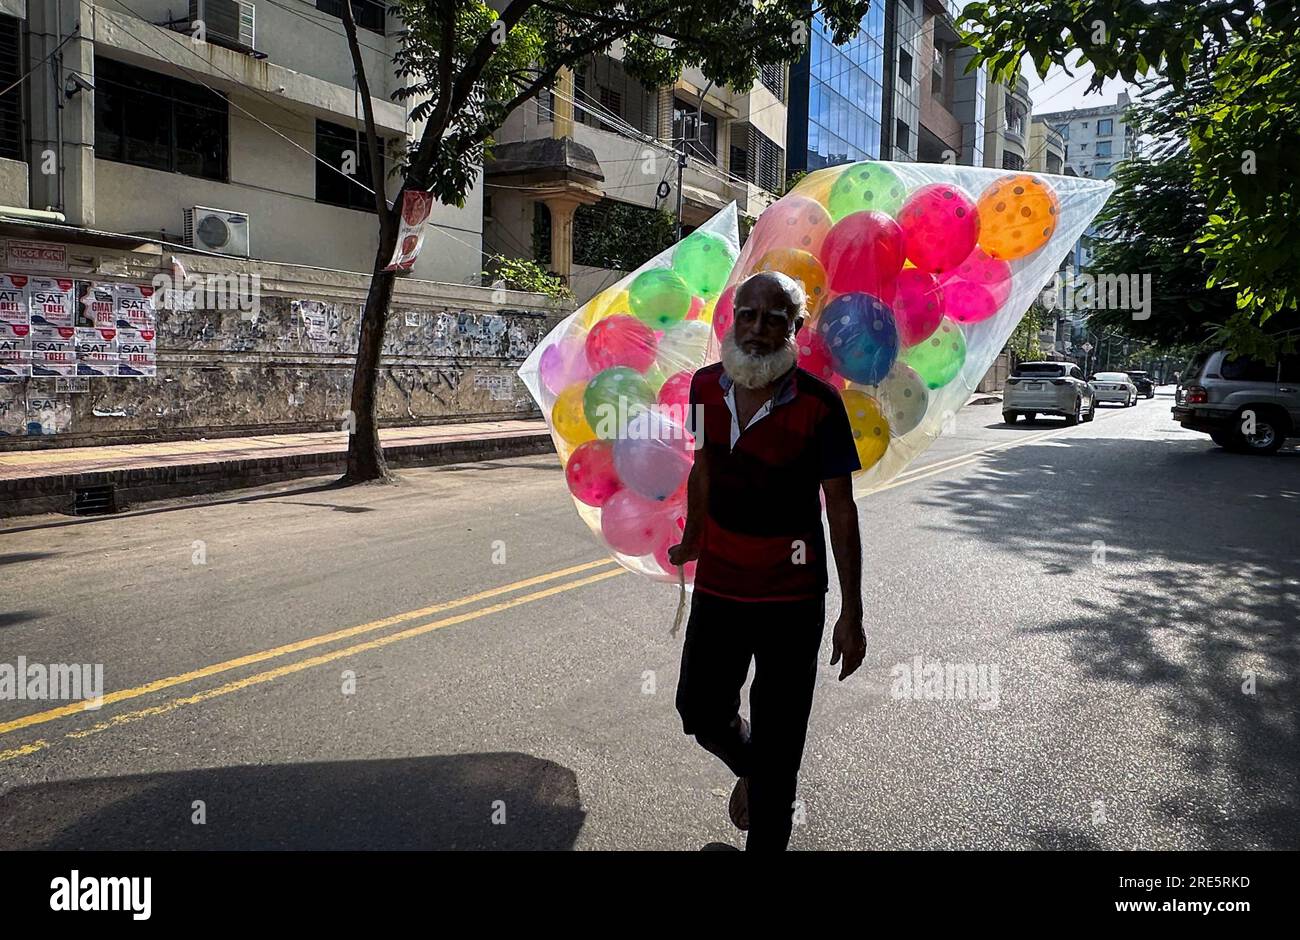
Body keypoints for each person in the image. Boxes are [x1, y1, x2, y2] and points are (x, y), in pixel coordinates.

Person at [668, 270, 867, 851]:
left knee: (782, 746)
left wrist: (851, 613)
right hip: (721, 586)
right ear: (733, 320)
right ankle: (756, 770)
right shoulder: (705, 387)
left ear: (794, 329)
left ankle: (770, 780)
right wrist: (695, 538)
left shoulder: (819, 404)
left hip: (792, 599)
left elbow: (841, 511)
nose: (757, 328)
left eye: (774, 317)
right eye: (747, 315)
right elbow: (703, 466)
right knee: (700, 711)